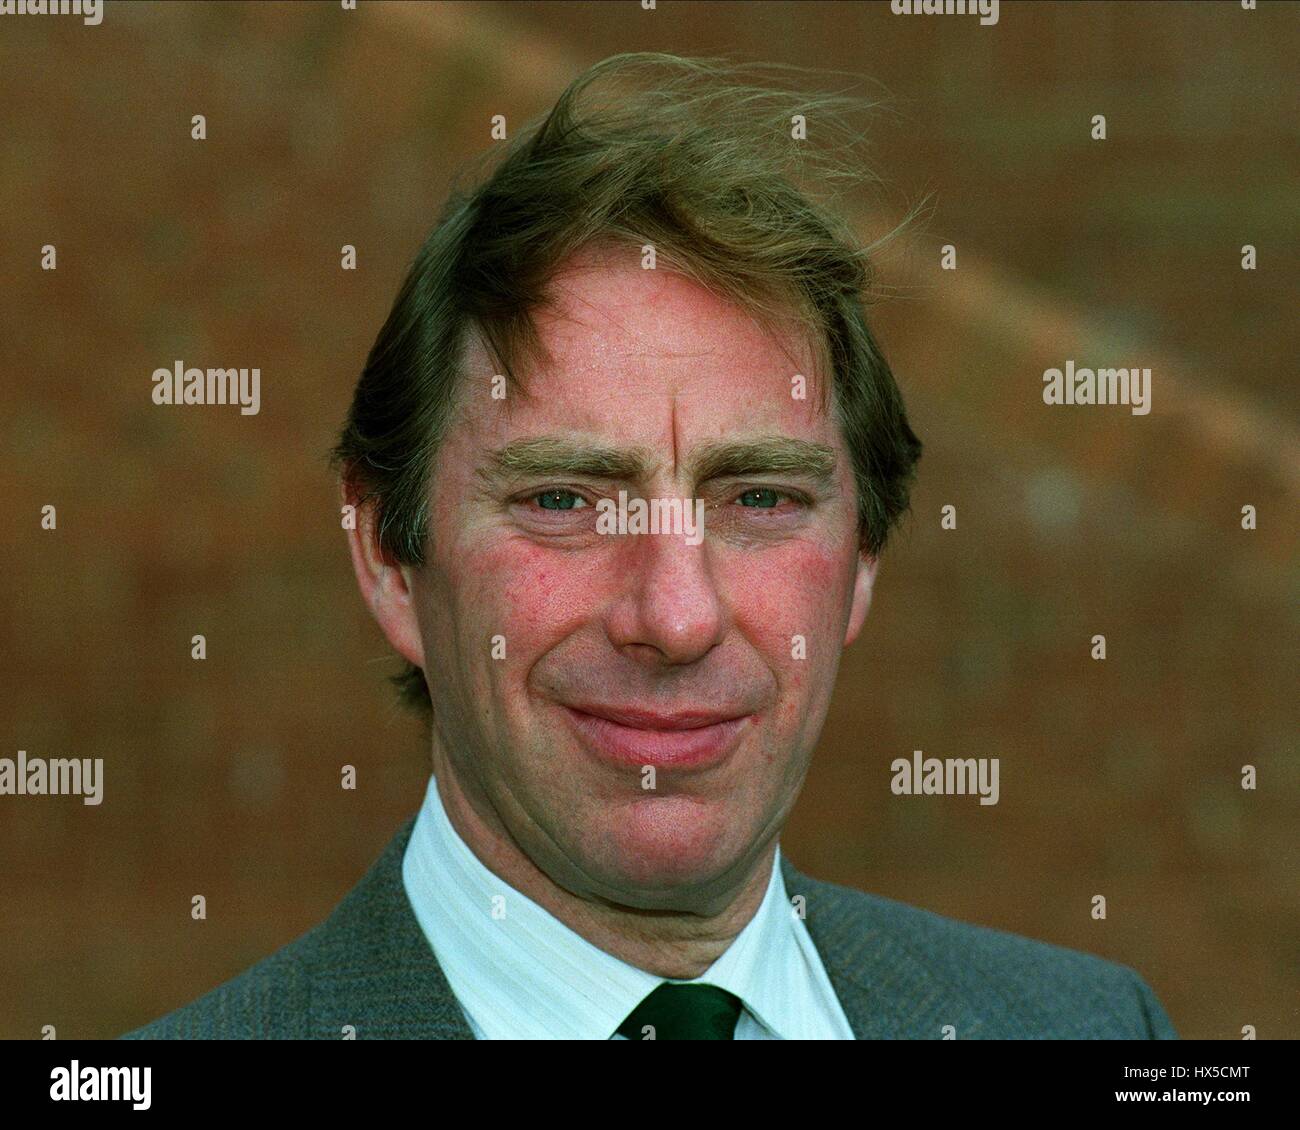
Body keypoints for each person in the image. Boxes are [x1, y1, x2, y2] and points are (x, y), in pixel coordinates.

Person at [125, 53, 1176, 1040]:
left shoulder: (1090, 1025)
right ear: (391, 557)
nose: (676, 616)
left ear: (861, 562)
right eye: (563, 500)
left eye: (758, 497)